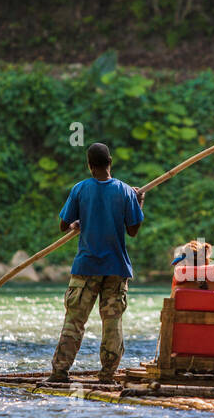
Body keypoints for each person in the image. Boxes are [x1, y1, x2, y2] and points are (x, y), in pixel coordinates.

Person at [48, 142, 144, 384]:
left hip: (86, 267)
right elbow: (132, 230)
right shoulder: (125, 192)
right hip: (116, 268)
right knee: (112, 323)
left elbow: (63, 224)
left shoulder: (80, 190)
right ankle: (107, 375)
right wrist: (139, 201)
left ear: (89, 166)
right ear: (110, 162)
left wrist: (75, 224)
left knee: (74, 321)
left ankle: (60, 372)